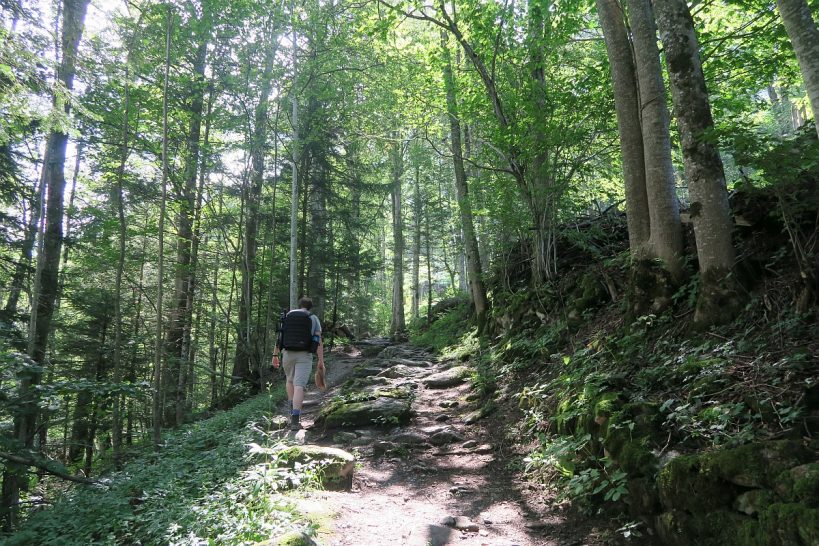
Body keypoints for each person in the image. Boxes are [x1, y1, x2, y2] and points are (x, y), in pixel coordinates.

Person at [272, 296, 325, 431]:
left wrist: (275, 355)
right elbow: (318, 340)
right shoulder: (313, 318)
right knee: (299, 385)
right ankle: (295, 420)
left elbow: (280, 337)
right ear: (310, 307)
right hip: (304, 355)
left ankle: (292, 410)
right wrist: (321, 360)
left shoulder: (288, 316)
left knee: (290, 381)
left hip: (287, 353)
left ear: (299, 305)